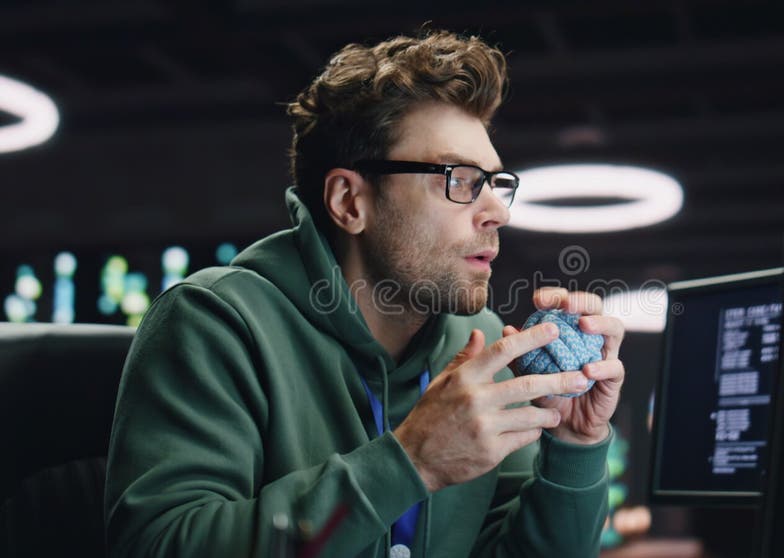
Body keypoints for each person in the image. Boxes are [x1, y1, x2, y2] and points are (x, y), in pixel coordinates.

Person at [105, 30, 626, 558]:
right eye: (460, 179)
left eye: (496, 182)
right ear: (349, 201)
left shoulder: (481, 341)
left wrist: (574, 447)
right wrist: (409, 462)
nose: (498, 211)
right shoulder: (215, 323)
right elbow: (158, 546)